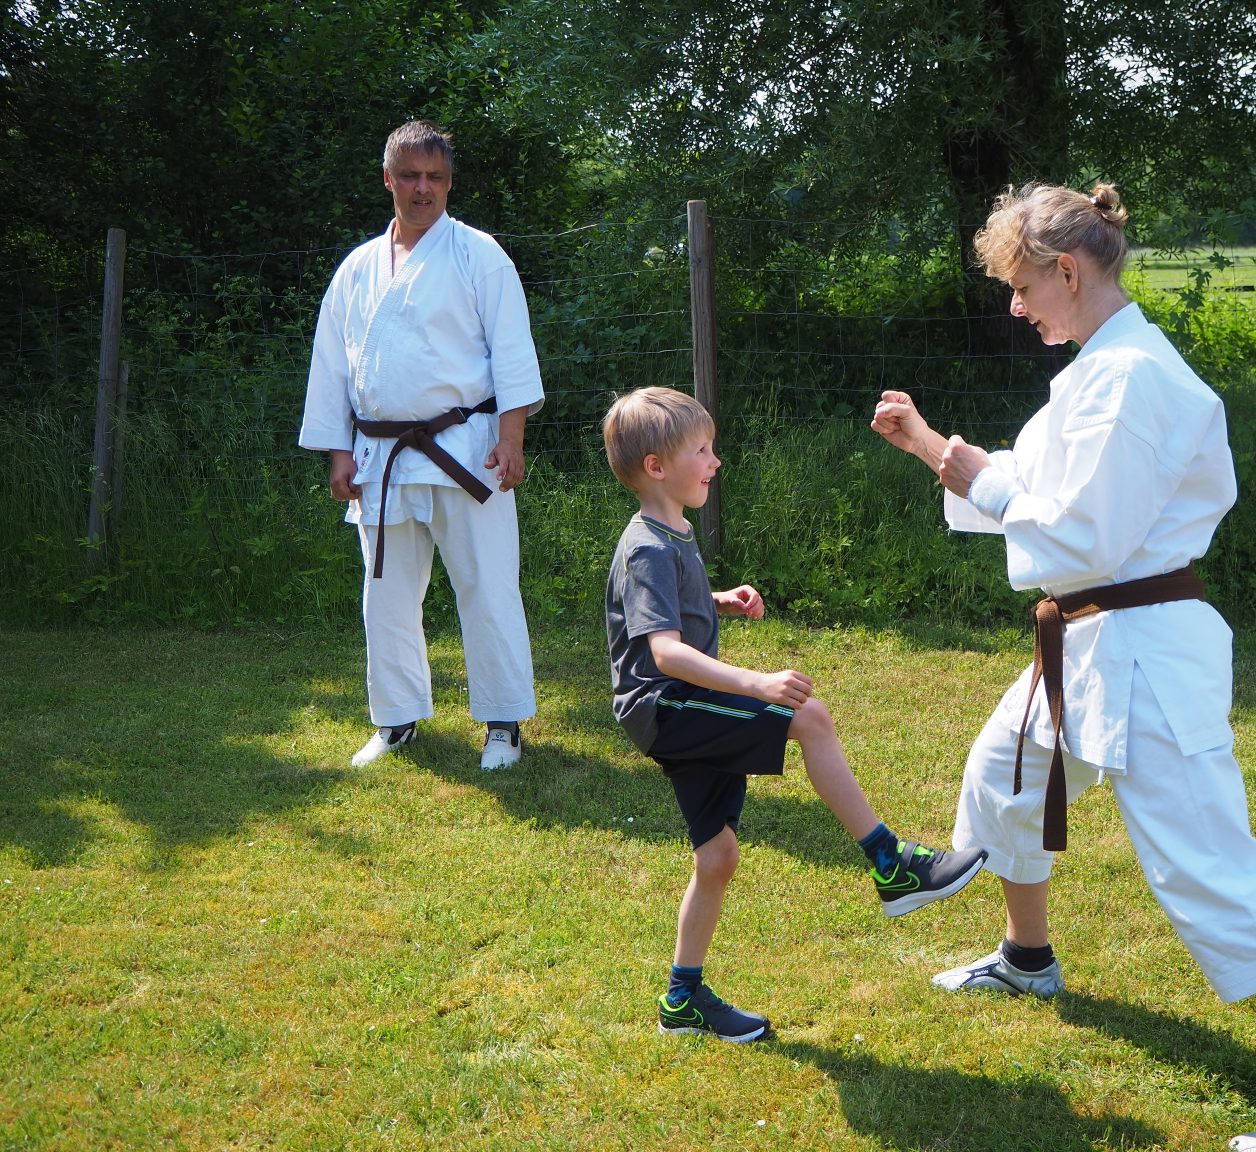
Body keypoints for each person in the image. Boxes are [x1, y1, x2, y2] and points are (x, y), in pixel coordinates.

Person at [870, 184, 1256, 1152]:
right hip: (1086, 640)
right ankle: (1028, 959)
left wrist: (958, 466)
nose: (1016, 307)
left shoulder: (1134, 381)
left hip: (1146, 648)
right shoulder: (1096, 373)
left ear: (1068, 270)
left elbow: (1082, 533)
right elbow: (1036, 490)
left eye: (1024, 286)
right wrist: (932, 449)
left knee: (1212, 872)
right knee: (1006, 777)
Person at [603, 386, 988, 1043]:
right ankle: (892, 865)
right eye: (701, 450)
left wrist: (719, 601)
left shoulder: (671, 530)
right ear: (656, 468)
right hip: (663, 707)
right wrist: (754, 681)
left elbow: (669, 614)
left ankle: (682, 1000)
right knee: (809, 716)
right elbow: (663, 653)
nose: (715, 460)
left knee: (718, 857)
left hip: (675, 710)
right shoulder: (647, 546)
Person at [300, 121, 544, 771]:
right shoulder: (356, 269)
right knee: (385, 595)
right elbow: (332, 365)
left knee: (487, 586)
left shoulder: (479, 254)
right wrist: (338, 451)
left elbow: (512, 350)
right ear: (387, 178)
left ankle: (502, 722)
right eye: (409, 175)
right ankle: (397, 719)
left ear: (450, 182)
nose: (421, 188)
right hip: (381, 456)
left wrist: (512, 439)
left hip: (467, 448)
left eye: (434, 177)